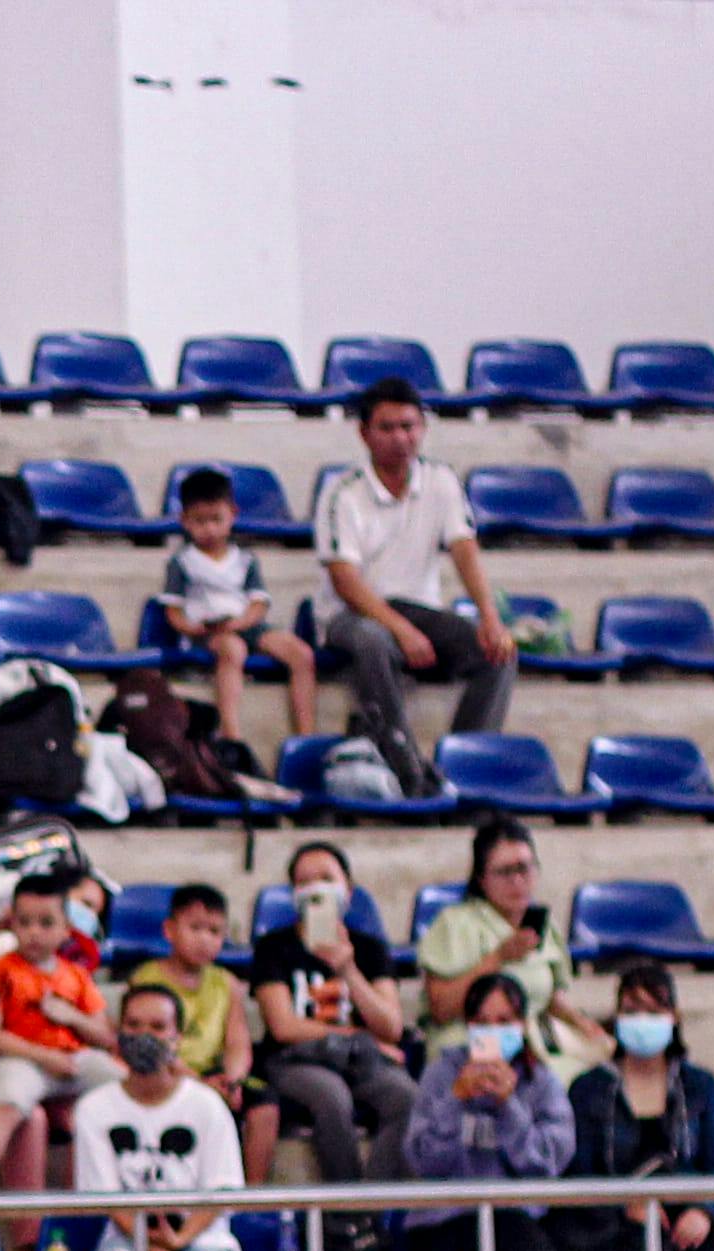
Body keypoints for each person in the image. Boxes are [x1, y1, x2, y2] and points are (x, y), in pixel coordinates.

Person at [312, 376, 512, 797]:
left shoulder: (441, 480)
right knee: (373, 641)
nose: (401, 438)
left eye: (409, 426)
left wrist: (490, 620)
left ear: (423, 428)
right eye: (387, 427)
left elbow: (465, 550)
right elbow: (345, 581)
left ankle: (462, 765)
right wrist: (400, 629)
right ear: (364, 433)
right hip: (352, 615)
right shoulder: (342, 492)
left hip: (418, 611)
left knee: (498, 654)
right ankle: (406, 765)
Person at [564, 964, 714, 1251]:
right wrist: (626, 1205)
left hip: (689, 1208)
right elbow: (580, 1174)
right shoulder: (589, 1089)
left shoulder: (699, 1085)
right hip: (618, 1222)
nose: (643, 1020)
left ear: (674, 1017)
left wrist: (703, 1209)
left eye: (654, 1011)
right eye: (632, 1011)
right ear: (617, 1016)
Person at [398, 967, 576, 1251]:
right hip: (445, 1223)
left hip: (519, 1229)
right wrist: (455, 1100)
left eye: (503, 1021)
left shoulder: (541, 1082)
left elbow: (547, 1165)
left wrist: (508, 1106)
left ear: (522, 1025)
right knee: (504, 1223)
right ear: (468, 1027)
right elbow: (422, 1161)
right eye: (482, 1022)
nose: (493, 1032)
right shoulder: (441, 1073)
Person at [70, 985, 243, 1251]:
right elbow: (108, 1199)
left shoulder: (207, 1105)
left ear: (177, 1037)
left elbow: (222, 1192)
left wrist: (179, 1240)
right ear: (119, 1034)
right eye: (133, 1026)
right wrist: (153, 1249)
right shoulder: (93, 1109)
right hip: (126, 1236)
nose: (144, 1036)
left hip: (202, 1234)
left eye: (157, 1026)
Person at [246, 846, 412, 1185]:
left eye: (326, 879)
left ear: (347, 890)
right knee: (331, 1095)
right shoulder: (273, 948)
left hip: (363, 1061)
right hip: (296, 1060)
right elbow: (283, 1026)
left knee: (406, 1097)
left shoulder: (369, 949)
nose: (317, 889)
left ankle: (373, 1204)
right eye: (304, 882)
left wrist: (348, 970)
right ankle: (345, 1211)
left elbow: (391, 1026)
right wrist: (354, 1037)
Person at [0, 865, 110, 1200]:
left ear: (66, 929)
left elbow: (104, 1036)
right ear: (11, 923)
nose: (33, 932)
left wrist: (72, 1017)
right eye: (24, 922)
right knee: (9, 1102)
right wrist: (45, 1056)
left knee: (123, 1082)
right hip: (21, 1059)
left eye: (46, 923)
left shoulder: (76, 976)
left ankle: (103, 1192)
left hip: (73, 1061)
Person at [409, 819, 596, 1073]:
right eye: (505, 872)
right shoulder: (455, 923)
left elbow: (551, 998)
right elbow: (440, 1008)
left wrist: (581, 1023)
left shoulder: (542, 924)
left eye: (525, 869)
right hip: (471, 1046)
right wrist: (499, 958)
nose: (518, 880)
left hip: (534, 1046)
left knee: (594, 1080)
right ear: (481, 878)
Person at [160, 464, 314, 770]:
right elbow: (173, 611)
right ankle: (231, 733)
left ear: (232, 514)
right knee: (233, 650)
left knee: (301, 654)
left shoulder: (245, 560)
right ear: (184, 520)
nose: (209, 529)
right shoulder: (182, 562)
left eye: (216, 520)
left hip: (247, 624)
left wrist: (242, 622)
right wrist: (192, 628)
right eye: (199, 521)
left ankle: (307, 735)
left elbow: (258, 604)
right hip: (211, 631)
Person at [120, 881, 259, 1105]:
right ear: (169, 930)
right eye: (195, 928)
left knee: (264, 1105)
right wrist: (198, 1082)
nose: (204, 939)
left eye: (214, 931)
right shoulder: (146, 979)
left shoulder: (227, 983)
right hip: (163, 1072)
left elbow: (237, 1042)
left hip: (212, 1074)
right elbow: (143, 1041)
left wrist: (232, 1081)